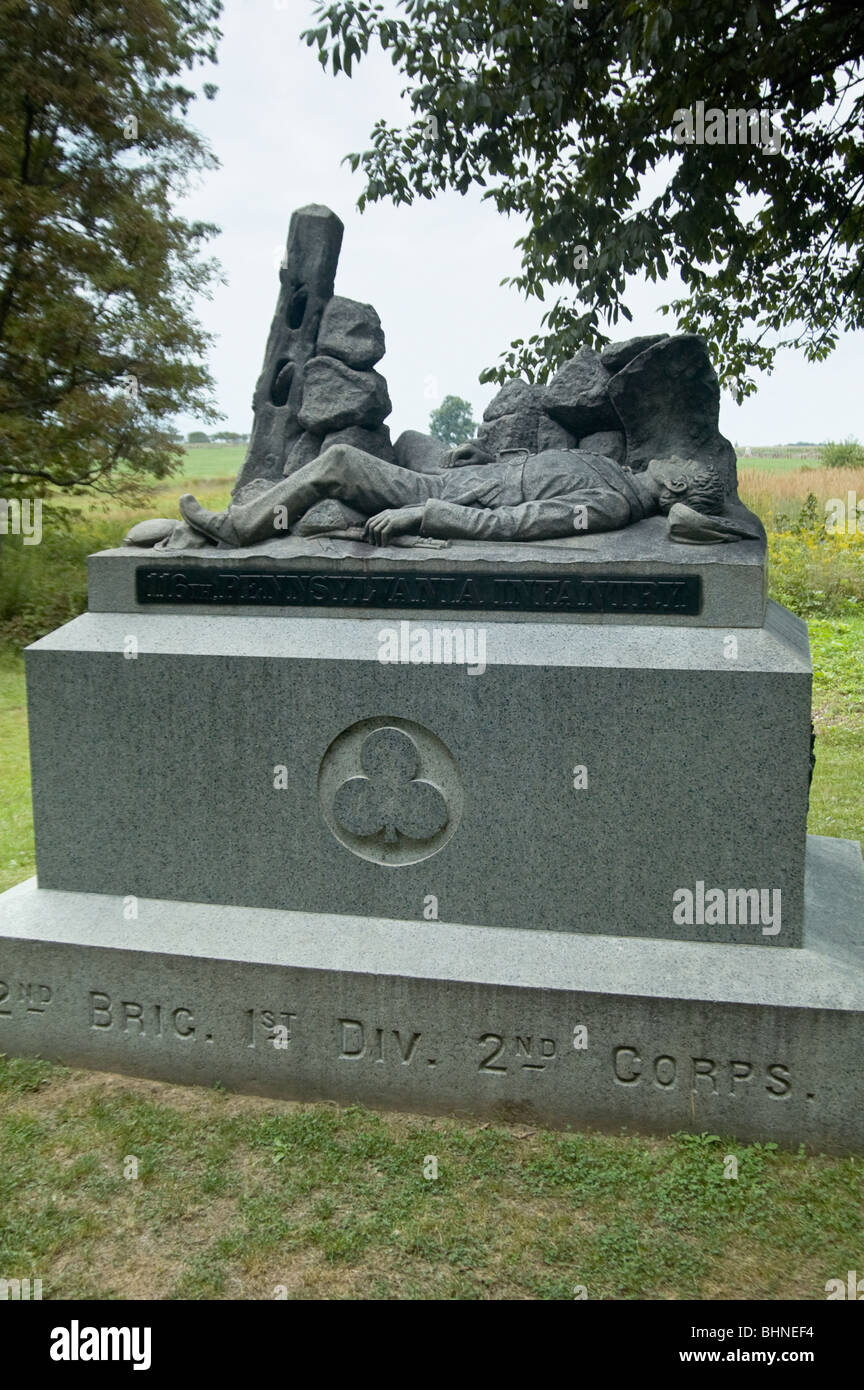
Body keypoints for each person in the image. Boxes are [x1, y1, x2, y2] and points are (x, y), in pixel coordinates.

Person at [177, 440, 727, 547]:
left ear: (675, 483)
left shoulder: (611, 504)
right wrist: (485, 460)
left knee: (341, 459)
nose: (673, 455)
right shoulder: (612, 472)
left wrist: (421, 514)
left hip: (439, 494)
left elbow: (515, 523)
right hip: (459, 479)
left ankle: (240, 528)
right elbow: (530, 478)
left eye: (680, 463)